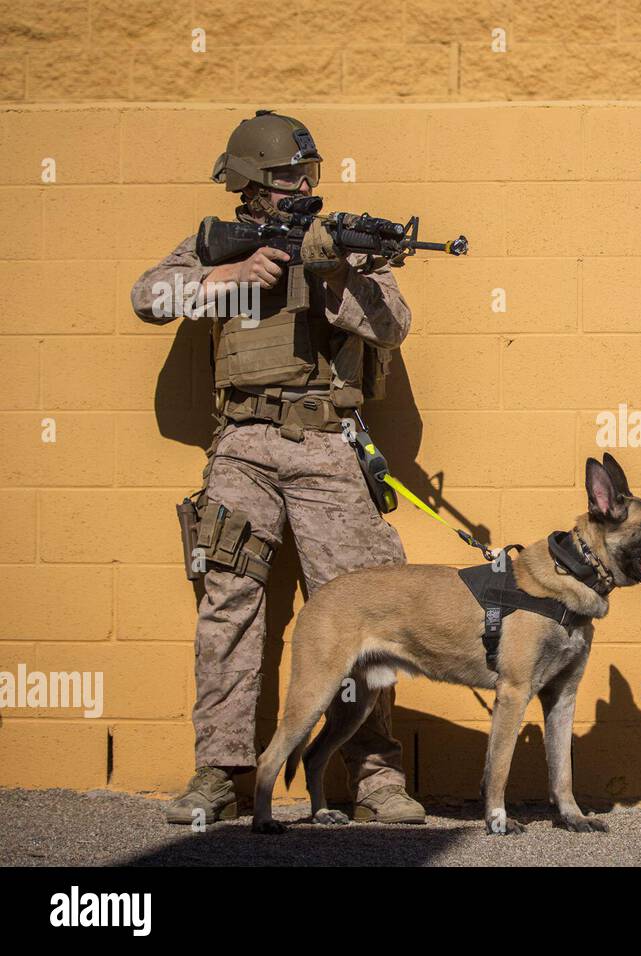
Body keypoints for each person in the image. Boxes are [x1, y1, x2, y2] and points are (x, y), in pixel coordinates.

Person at [130, 110, 425, 826]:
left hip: (328, 444)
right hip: (240, 445)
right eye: (290, 175)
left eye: (308, 173)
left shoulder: (346, 248)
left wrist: (331, 279)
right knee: (228, 600)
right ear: (254, 186)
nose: (304, 184)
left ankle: (377, 773)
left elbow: (393, 324)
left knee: (368, 609)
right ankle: (224, 771)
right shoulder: (219, 244)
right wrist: (233, 274)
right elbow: (149, 298)